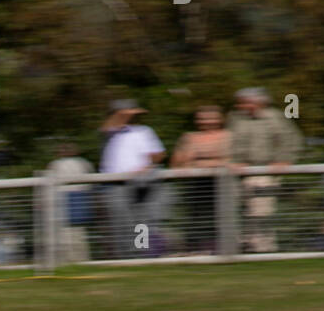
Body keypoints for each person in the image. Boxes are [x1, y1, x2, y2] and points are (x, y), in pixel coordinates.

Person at [226, 88, 302, 252]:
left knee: (260, 211)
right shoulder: (235, 118)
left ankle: (262, 249)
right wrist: (233, 161)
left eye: (246, 102)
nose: (242, 106)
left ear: (259, 102)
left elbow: (291, 140)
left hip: (264, 172)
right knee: (235, 211)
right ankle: (242, 247)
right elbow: (228, 142)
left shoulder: (275, 117)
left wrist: (283, 160)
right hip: (238, 174)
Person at [98, 99, 165, 259]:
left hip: (141, 183)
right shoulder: (110, 133)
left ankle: (142, 255)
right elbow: (106, 128)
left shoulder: (144, 131)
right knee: (121, 222)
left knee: (141, 220)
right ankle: (125, 257)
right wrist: (122, 114)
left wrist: (147, 167)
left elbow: (158, 155)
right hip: (115, 184)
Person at [170, 105, 231, 253]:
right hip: (196, 187)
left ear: (220, 119)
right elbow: (177, 163)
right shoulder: (189, 137)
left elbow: (231, 160)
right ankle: (196, 251)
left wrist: (200, 162)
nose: (207, 122)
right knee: (196, 219)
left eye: (211, 118)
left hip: (222, 187)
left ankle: (222, 251)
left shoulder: (228, 136)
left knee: (221, 217)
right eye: (203, 118)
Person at [46, 139, 94, 262]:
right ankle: (80, 261)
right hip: (75, 206)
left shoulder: (55, 165)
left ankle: (72, 262)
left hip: (67, 207)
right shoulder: (84, 163)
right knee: (78, 238)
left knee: (69, 238)